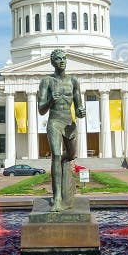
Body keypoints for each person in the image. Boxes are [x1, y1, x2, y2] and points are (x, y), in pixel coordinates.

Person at [37, 48, 85, 211]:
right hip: (55, 122)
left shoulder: (73, 81)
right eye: (58, 59)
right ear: (52, 62)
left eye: (64, 58)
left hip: (68, 123)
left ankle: (62, 166)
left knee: (70, 155)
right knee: (56, 156)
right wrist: (50, 101)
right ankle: (57, 198)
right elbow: (41, 109)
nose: (62, 61)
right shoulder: (47, 81)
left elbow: (79, 107)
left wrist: (80, 111)